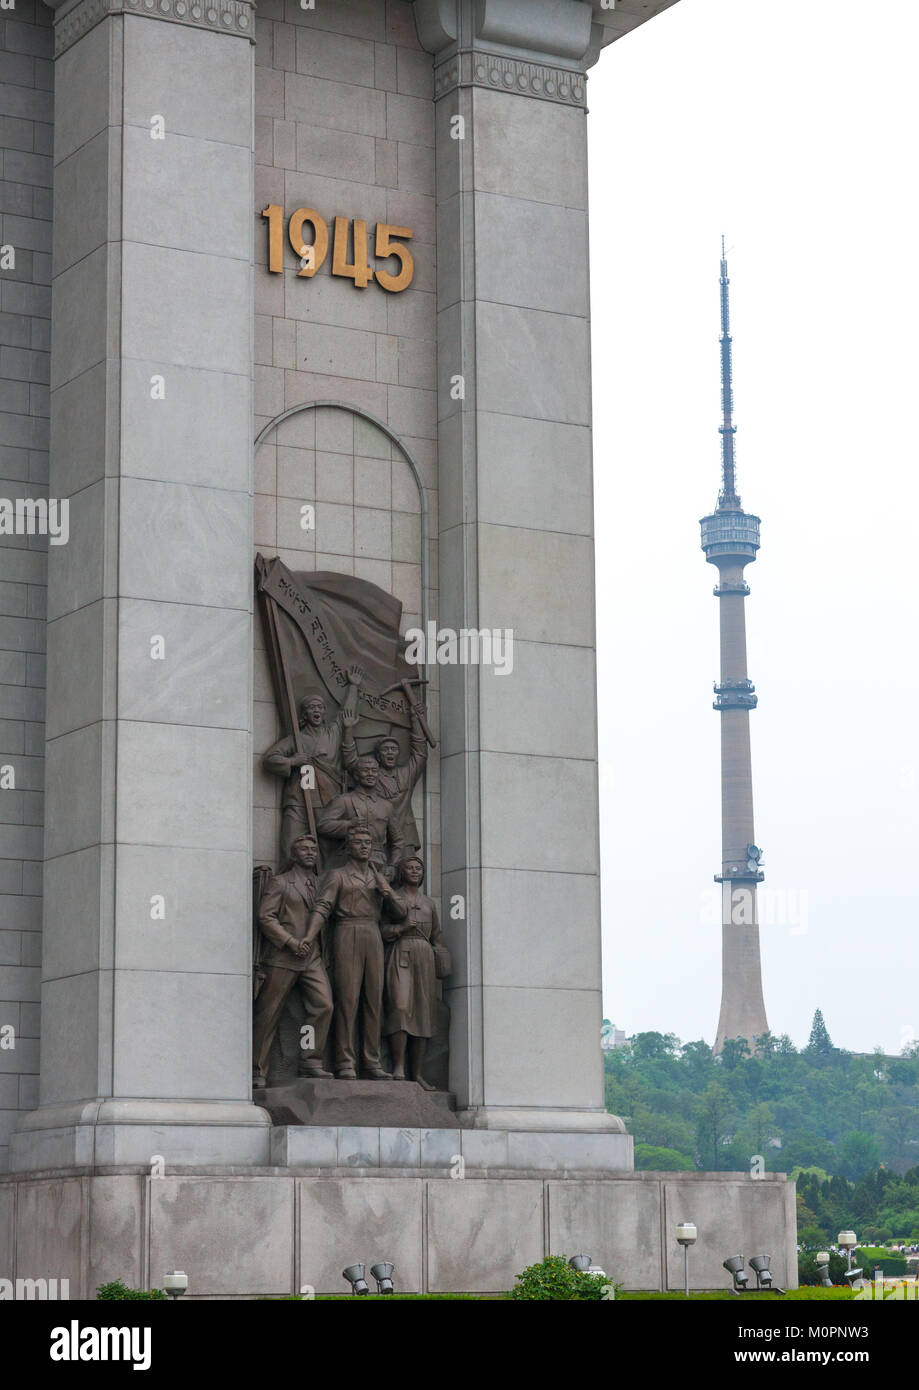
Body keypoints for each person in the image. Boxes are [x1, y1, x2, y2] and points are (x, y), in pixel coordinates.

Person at [304, 824, 407, 1080]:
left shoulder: (378, 877)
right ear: (348, 847)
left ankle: (372, 1061)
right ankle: (345, 1061)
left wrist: (387, 891)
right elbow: (322, 908)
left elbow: (401, 913)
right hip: (346, 931)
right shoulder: (337, 875)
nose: (364, 846)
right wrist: (308, 936)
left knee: (374, 1000)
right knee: (347, 1000)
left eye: (367, 842)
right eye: (359, 842)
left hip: (372, 932)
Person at [252, 834, 333, 1089]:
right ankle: (257, 1070)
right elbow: (266, 917)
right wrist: (289, 941)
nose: (310, 853)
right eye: (304, 849)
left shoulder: (322, 884)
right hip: (283, 956)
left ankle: (310, 1060)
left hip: (313, 957)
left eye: (313, 849)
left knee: (324, 1006)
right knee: (269, 1013)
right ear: (293, 854)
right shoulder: (281, 882)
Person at [262, 665, 363, 862]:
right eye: (311, 707)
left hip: (328, 798)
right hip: (299, 798)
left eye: (319, 707)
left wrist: (353, 686)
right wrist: (292, 761)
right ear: (304, 714)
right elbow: (270, 759)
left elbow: (347, 714)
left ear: (324, 712)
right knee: (291, 841)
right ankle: (291, 877)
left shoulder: (332, 733)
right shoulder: (297, 739)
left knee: (328, 847)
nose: (316, 710)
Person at [382, 854, 449, 1090]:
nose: (414, 871)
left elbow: (436, 935)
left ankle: (418, 1073)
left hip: (424, 957)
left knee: (423, 1013)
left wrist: (441, 953)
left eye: (418, 868)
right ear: (402, 872)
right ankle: (398, 1066)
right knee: (400, 1007)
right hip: (400, 952)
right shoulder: (393, 897)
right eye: (410, 868)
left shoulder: (429, 903)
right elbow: (382, 930)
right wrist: (401, 928)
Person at [342, 701, 428, 851]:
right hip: (376, 836)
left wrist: (415, 720)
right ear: (378, 756)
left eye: (394, 749)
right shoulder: (370, 775)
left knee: (409, 865)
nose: (390, 752)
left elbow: (420, 753)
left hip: (405, 835)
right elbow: (350, 759)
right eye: (386, 749)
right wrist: (348, 730)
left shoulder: (406, 774)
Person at [316, 754, 405, 876]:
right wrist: (349, 824)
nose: (370, 774)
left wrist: (392, 865)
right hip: (348, 861)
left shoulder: (387, 806)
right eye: (365, 770)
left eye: (374, 771)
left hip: (378, 862)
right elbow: (323, 825)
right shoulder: (344, 800)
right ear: (356, 775)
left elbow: (398, 840)